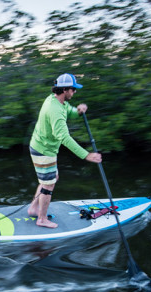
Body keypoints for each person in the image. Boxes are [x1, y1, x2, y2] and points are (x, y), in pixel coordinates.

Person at [28, 72, 103, 228]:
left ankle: (34, 208)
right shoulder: (54, 109)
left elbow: (68, 110)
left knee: (51, 177)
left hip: (44, 147)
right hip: (43, 150)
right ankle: (41, 219)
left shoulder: (56, 100)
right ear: (65, 90)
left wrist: (78, 111)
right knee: (49, 184)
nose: (75, 92)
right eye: (73, 89)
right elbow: (64, 138)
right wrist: (86, 155)